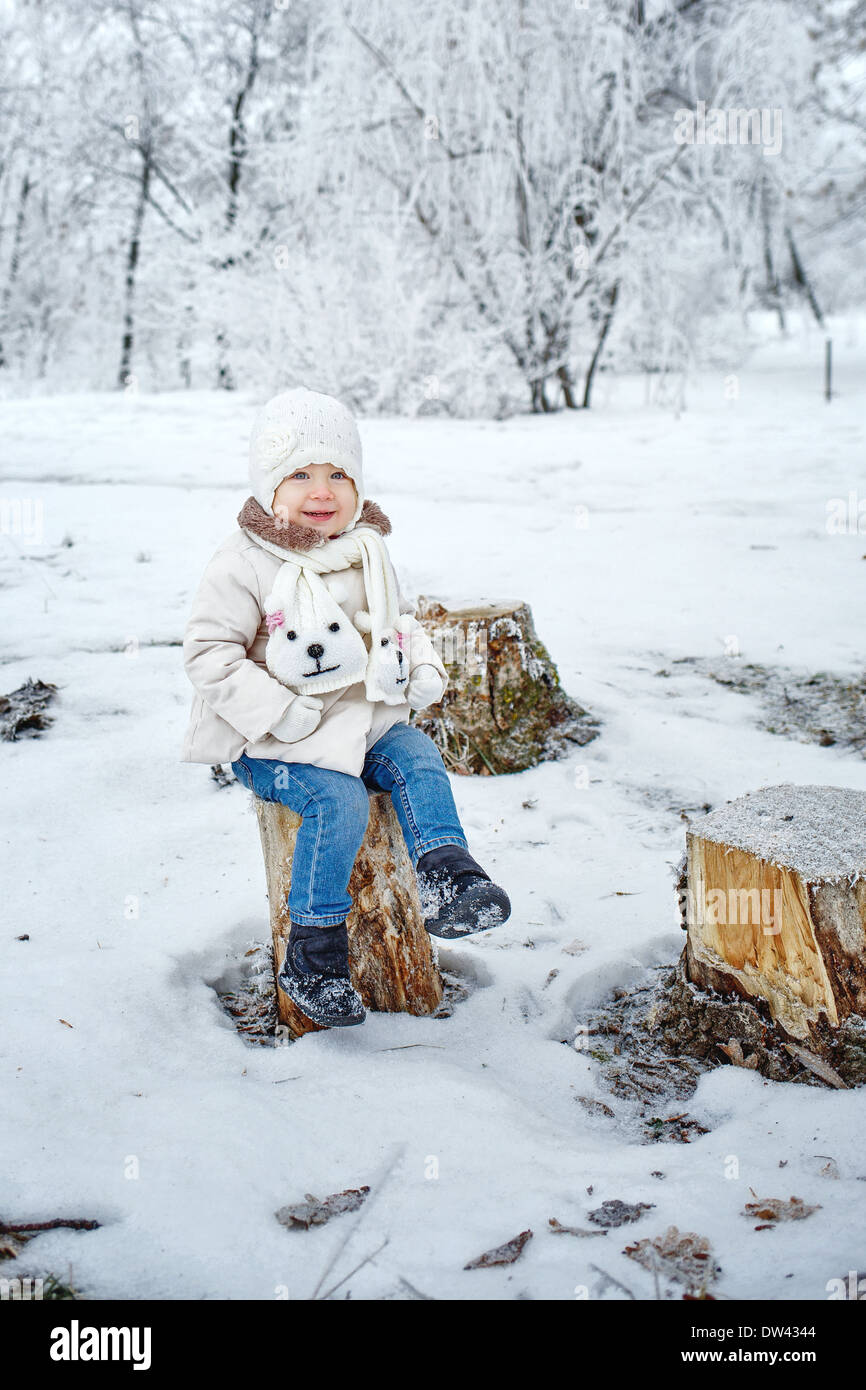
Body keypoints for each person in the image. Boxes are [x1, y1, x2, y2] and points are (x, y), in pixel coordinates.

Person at [180, 386, 510, 1029]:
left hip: (354, 722)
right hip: (270, 742)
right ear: (269, 488)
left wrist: (420, 667)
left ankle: (449, 875)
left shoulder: (366, 551)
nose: (321, 491)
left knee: (416, 752)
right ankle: (315, 954)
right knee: (341, 800)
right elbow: (208, 655)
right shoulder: (243, 562)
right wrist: (276, 709)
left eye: (338, 474)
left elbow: (397, 623)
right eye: (299, 475)